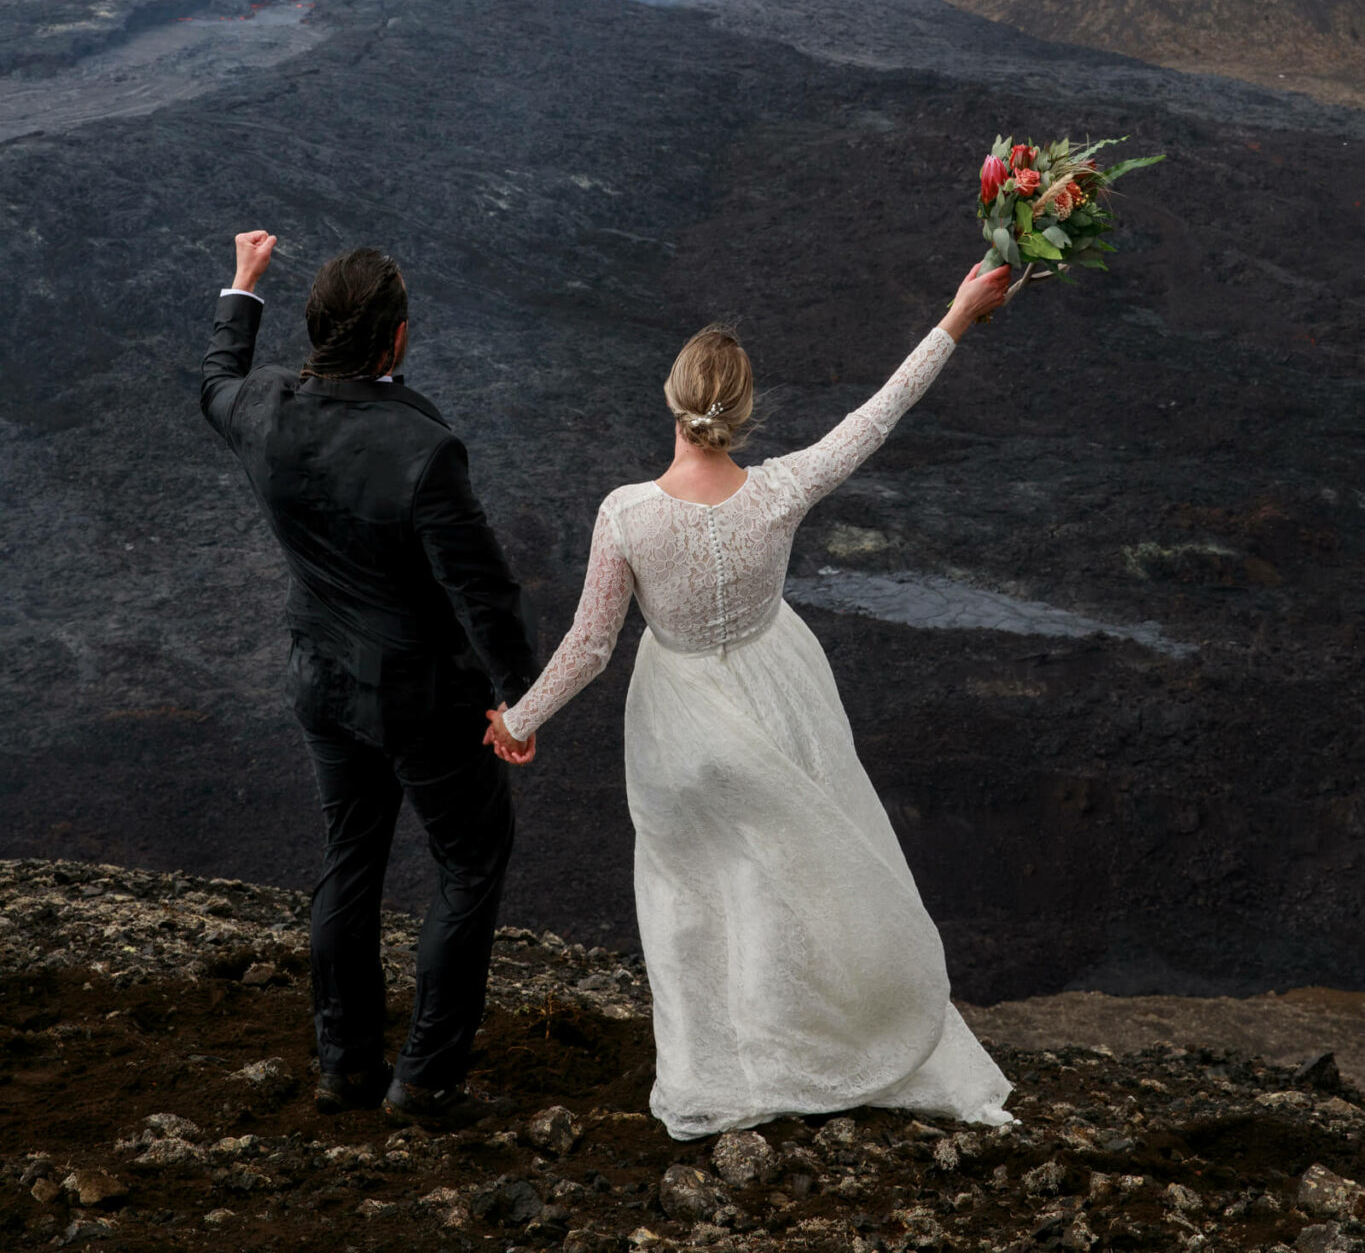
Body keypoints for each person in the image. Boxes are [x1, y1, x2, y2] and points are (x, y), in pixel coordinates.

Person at [485, 260, 1015, 1140]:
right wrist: (956, 314)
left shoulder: (625, 514)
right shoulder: (781, 488)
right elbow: (882, 411)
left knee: (691, 892)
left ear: (672, 400)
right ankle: (816, 1043)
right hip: (779, 693)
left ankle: (718, 1065)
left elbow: (588, 645)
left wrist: (517, 721)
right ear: (743, 411)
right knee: (796, 872)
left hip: (678, 720)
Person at [201, 231, 538, 1129]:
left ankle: (344, 1066)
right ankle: (426, 1081)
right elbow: (485, 592)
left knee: (350, 862)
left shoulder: (261, 411)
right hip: (424, 700)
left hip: (320, 679)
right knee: (467, 865)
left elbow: (212, 379)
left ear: (316, 330)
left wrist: (242, 288)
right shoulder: (423, 451)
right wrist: (518, 697)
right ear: (394, 340)